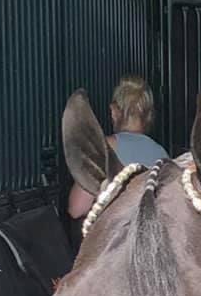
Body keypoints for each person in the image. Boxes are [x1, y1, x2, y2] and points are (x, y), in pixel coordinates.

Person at [67, 75, 168, 220]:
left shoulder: (104, 149)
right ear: (148, 115)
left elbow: (77, 208)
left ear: (114, 112)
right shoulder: (162, 154)